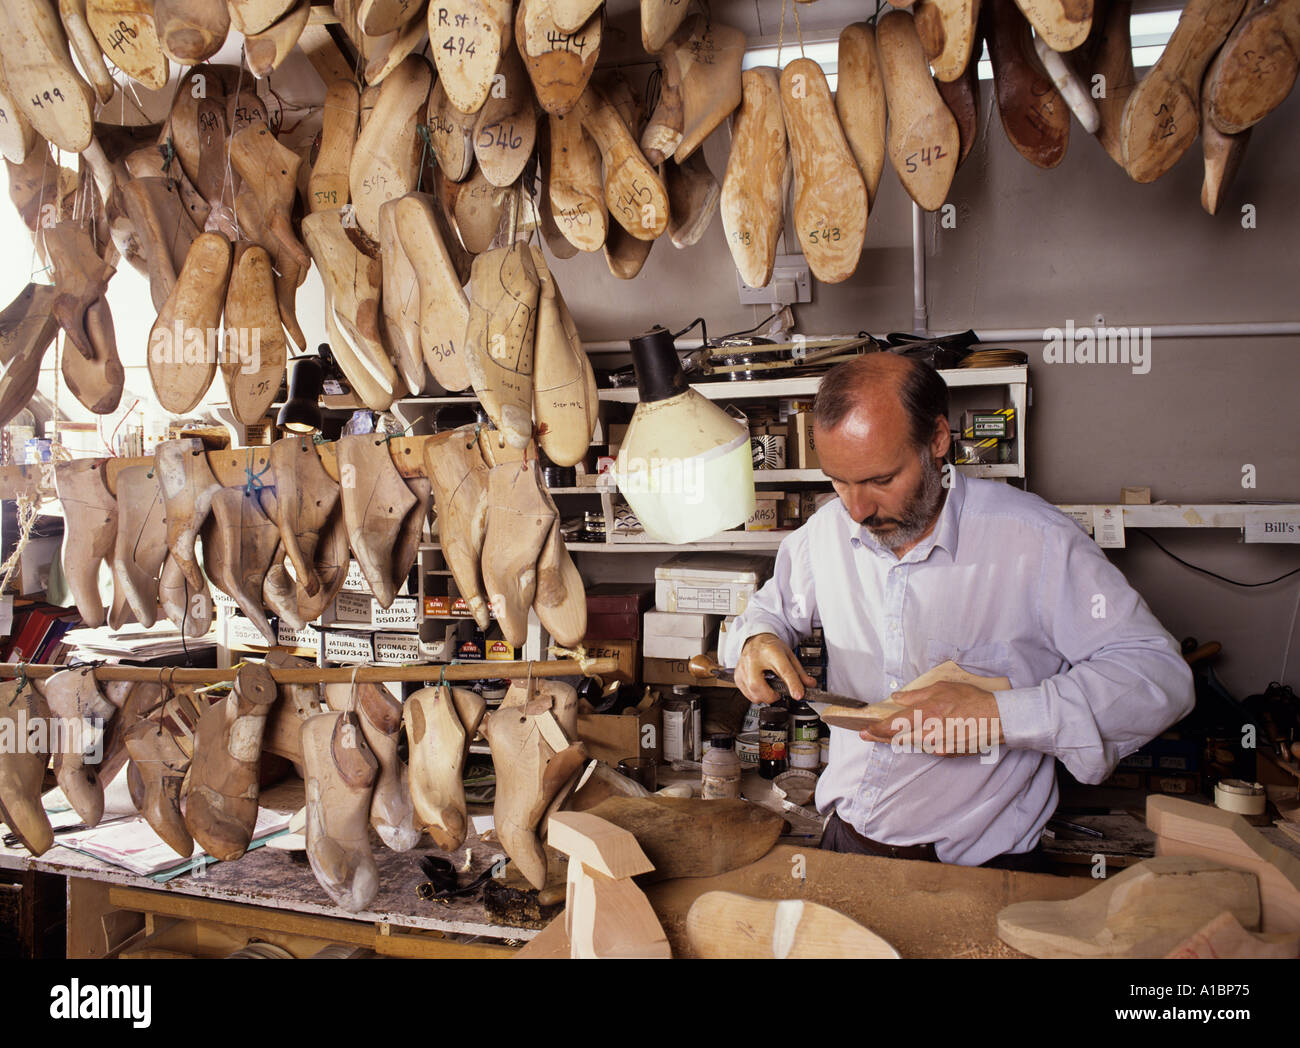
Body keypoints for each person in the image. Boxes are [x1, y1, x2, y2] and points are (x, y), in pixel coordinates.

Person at [718, 353, 1194, 869]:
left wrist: (998, 713)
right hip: (847, 843)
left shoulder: (1037, 541)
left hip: (982, 867)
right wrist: (756, 639)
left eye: (880, 479)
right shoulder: (825, 534)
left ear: (938, 440)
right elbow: (767, 609)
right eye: (838, 481)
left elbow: (1158, 677)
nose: (857, 509)